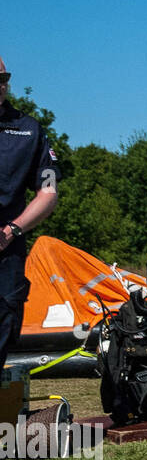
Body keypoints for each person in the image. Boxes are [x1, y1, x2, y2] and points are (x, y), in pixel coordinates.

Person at [0, 58, 59, 374]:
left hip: (7, 251)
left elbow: (48, 193)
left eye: (3, 77)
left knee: (5, 332)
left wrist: (11, 230)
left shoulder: (29, 130)